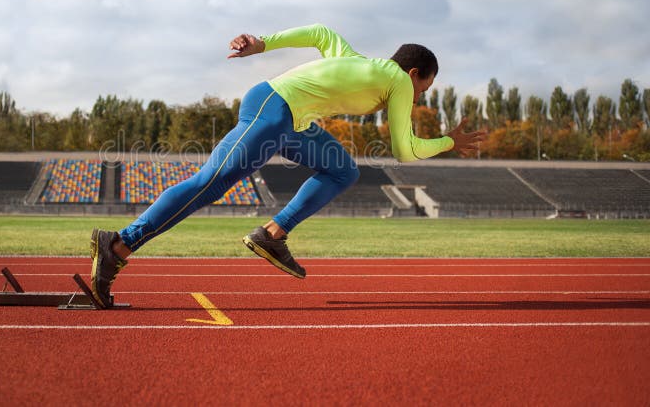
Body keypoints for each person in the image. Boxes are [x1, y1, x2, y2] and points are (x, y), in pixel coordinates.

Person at [89, 23, 485, 308]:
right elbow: (405, 149)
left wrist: (263, 43)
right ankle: (119, 243)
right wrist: (451, 141)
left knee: (342, 169)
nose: (417, 97)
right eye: (423, 89)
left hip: (292, 124)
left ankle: (272, 234)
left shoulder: (354, 60)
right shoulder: (399, 81)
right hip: (272, 108)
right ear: (414, 73)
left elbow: (321, 33)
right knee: (210, 184)